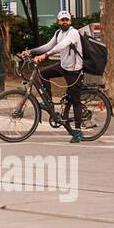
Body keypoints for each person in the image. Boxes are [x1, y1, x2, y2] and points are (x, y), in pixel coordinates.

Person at [22, 9, 85, 142]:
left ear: (70, 21)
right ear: (58, 22)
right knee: (44, 73)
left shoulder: (73, 33)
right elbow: (48, 46)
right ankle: (49, 103)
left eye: (66, 19)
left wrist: (44, 56)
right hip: (63, 66)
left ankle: (78, 132)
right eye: (62, 20)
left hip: (74, 71)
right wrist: (30, 52)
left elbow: (61, 46)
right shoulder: (58, 33)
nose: (64, 22)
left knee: (75, 101)